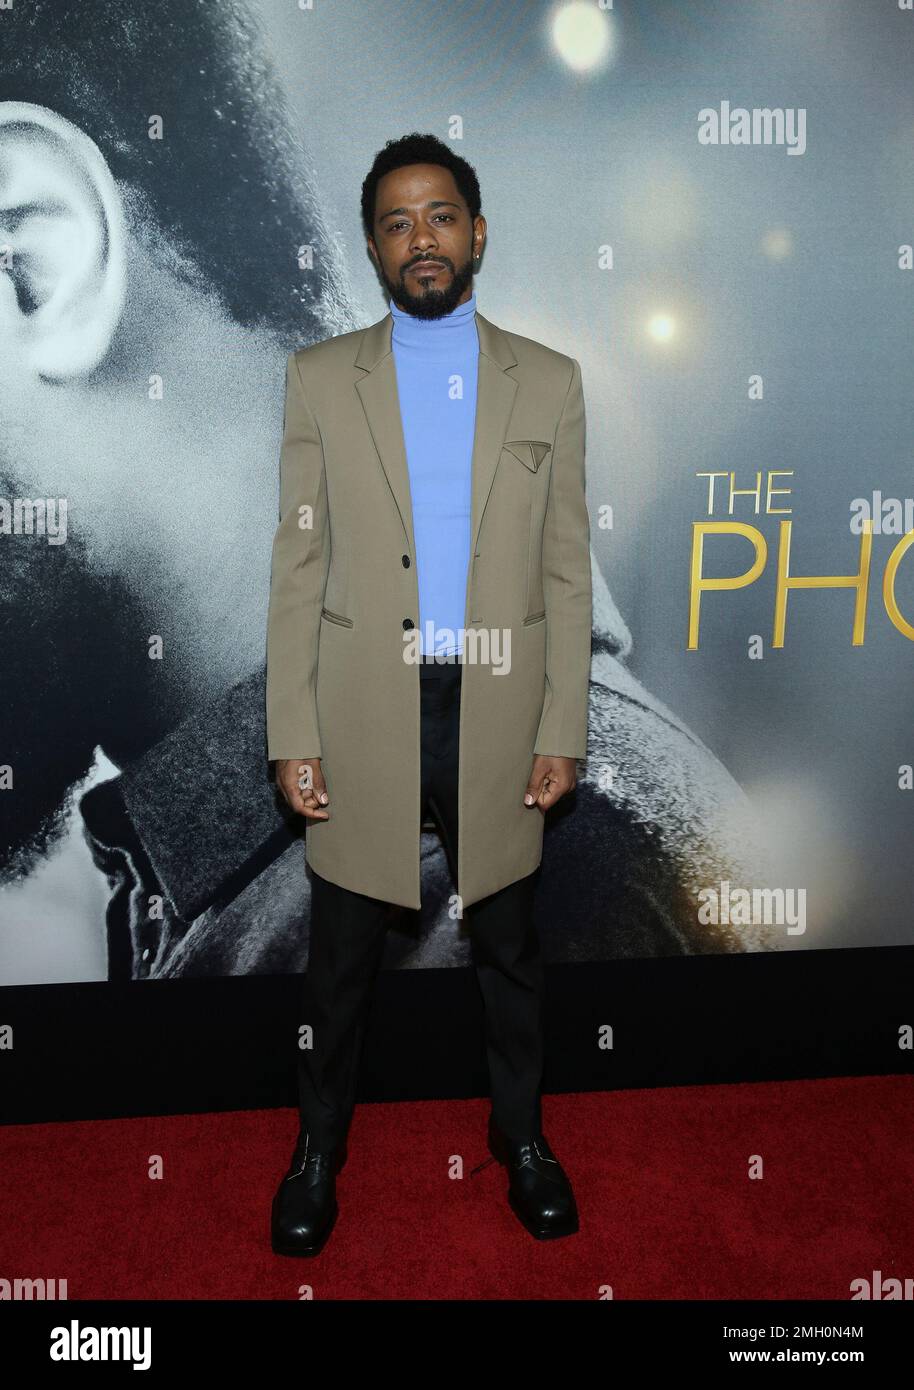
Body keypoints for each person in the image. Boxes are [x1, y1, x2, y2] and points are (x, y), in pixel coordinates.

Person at [267, 132, 593, 1254]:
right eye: (398, 222)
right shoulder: (317, 377)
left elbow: (563, 570)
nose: (422, 239)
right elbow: (297, 568)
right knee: (338, 964)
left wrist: (562, 725)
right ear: (371, 246)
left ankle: (523, 1139)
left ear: (477, 232)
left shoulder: (548, 381)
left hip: (497, 707)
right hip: (364, 710)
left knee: (507, 949)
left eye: (441, 216)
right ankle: (315, 1153)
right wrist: (291, 732)